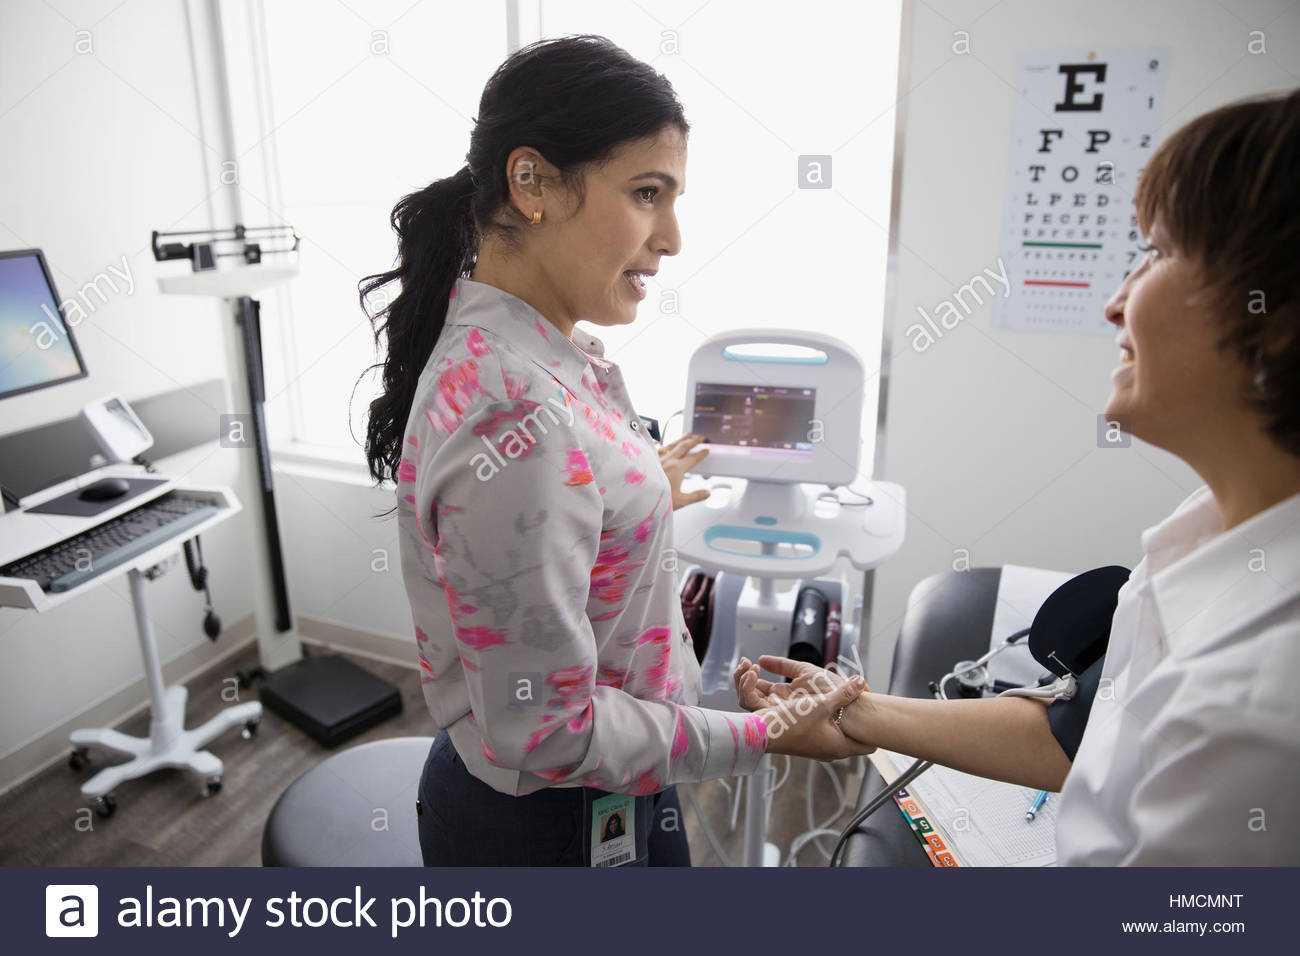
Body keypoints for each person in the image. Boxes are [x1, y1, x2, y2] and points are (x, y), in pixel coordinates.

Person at [736, 88, 1300, 866]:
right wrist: (851, 714)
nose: (1116, 302)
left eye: (1159, 253)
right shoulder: (1206, 532)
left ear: (1278, 314)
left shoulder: (1262, 702)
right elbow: (1072, 738)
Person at [361, 35, 864, 867]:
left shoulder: (541, 359)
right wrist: (762, 732)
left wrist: (637, 491)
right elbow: (548, 730)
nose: (670, 236)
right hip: (551, 821)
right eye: (645, 193)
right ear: (532, 183)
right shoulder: (515, 414)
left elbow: (552, 513)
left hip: (605, 787)